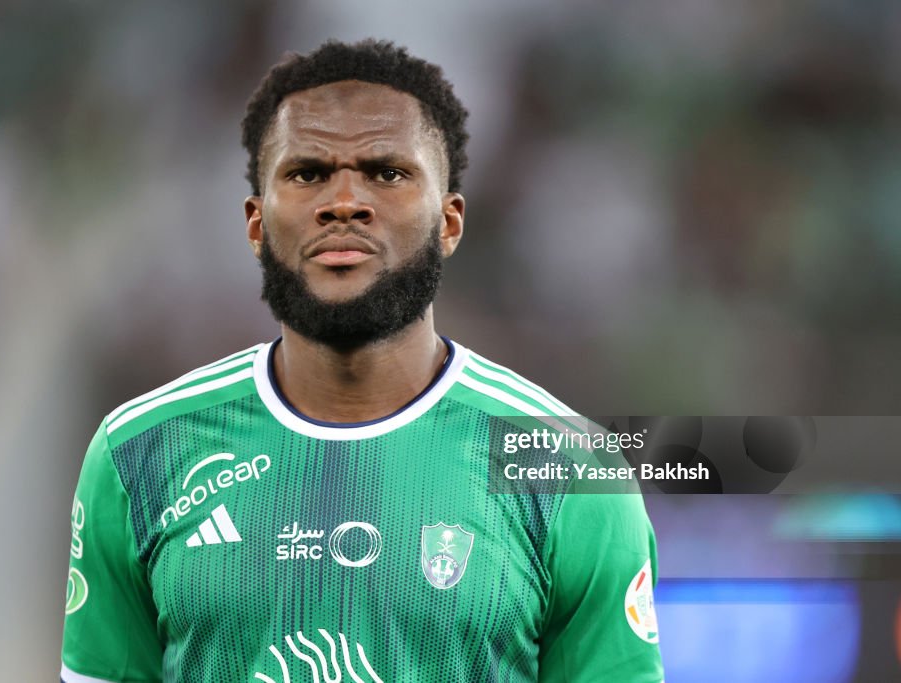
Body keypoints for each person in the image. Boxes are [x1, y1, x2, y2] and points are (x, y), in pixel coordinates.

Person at [61, 39, 663, 683]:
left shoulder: (568, 467)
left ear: (449, 223)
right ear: (256, 224)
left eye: (387, 172)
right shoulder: (138, 452)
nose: (344, 201)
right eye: (307, 173)